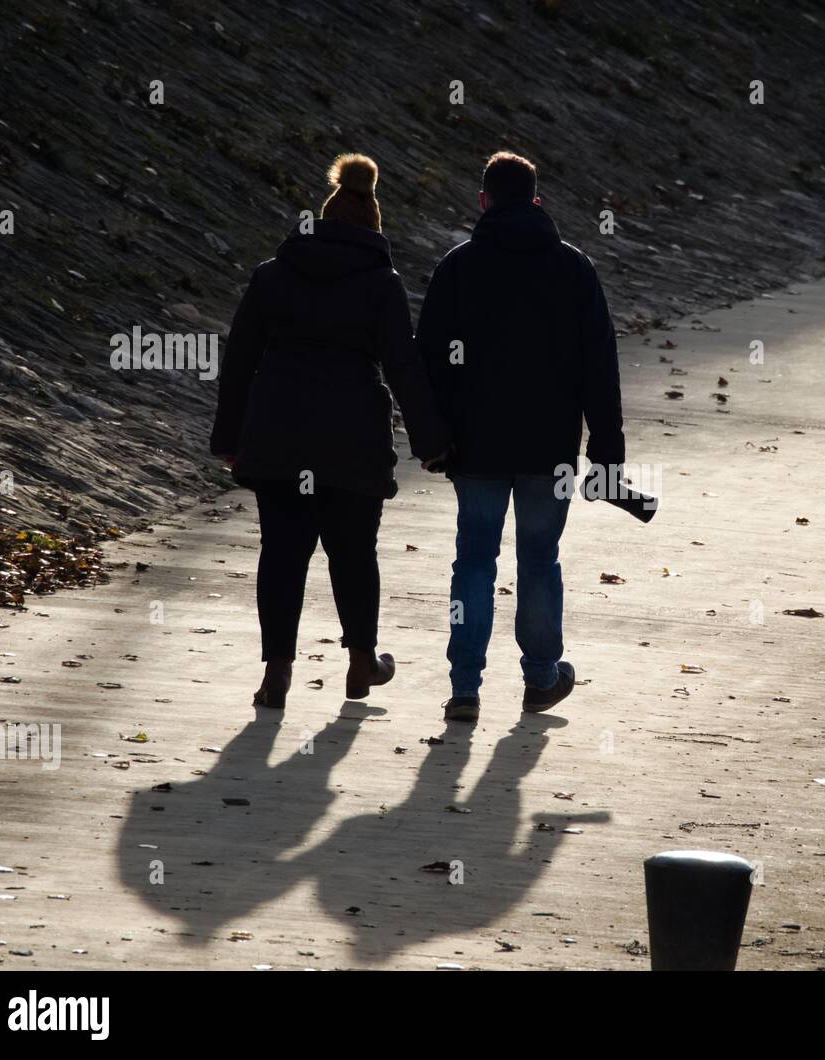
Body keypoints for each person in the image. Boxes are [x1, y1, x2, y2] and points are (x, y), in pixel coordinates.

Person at [211, 154, 450, 709]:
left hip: (278, 433)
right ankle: (362, 663)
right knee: (354, 553)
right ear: (374, 225)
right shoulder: (380, 284)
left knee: (282, 554)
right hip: (352, 440)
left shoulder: (272, 274)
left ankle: (277, 675)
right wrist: (432, 442)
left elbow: (240, 359)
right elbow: (402, 365)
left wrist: (229, 439)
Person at [416, 151, 625, 722]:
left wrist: (432, 437)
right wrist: (606, 453)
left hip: (475, 446)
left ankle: (464, 688)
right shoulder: (574, 268)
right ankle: (539, 680)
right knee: (538, 561)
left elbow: (426, 361)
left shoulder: (457, 267)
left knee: (474, 563)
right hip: (547, 450)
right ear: (537, 201)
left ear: (483, 200)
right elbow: (598, 368)